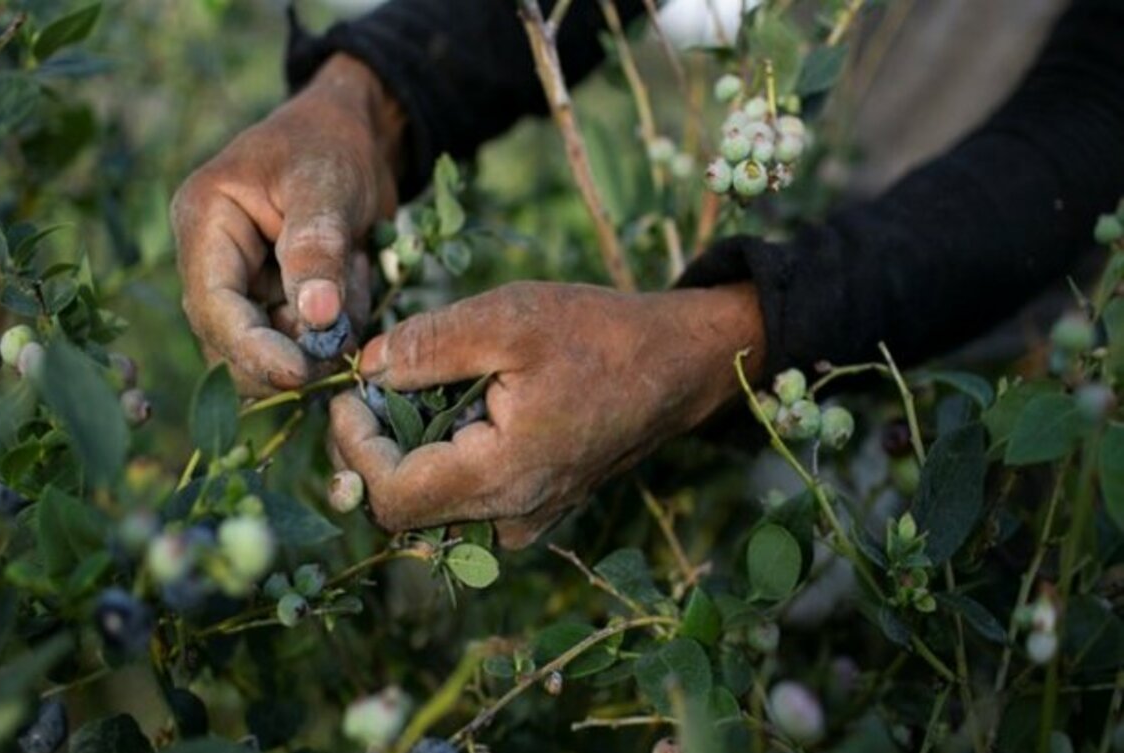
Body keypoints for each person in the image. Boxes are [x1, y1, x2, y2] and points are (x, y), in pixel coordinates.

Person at [170, 0, 1124, 549]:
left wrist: (730, 334)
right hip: (795, 211)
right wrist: (368, 97)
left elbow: (1093, 121)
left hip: (1033, 344)